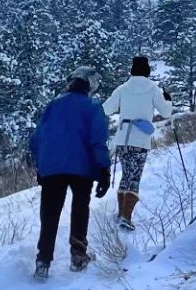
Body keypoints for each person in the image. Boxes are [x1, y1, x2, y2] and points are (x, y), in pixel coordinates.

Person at [29, 67, 111, 276]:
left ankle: (43, 260)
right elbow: (98, 140)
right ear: (90, 85)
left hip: (52, 168)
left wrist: (41, 166)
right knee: (80, 208)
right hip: (82, 168)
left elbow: (37, 138)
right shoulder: (92, 106)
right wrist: (104, 170)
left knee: (50, 213)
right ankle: (78, 255)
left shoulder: (53, 105)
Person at [102, 56, 171, 231]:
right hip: (140, 139)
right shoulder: (153, 89)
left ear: (132, 70)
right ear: (147, 71)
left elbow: (106, 109)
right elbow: (166, 113)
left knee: (127, 175)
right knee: (134, 177)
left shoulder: (122, 89)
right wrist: (168, 99)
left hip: (123, 138)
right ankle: (125, 217)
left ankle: (121, 214)